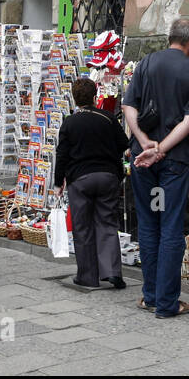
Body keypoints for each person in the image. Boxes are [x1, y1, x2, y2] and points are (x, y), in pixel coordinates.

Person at [122, 17, 189, 318]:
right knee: (170, 227)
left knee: (148, 224)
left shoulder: (146, 63)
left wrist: (145, 142)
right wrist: (162, 149)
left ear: (169, 37)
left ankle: (151, 296)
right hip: (172, 163)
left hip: (144, 162)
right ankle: (167, 303)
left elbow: (128, 106)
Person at [55, 77, 129, 290]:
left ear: (74, 98)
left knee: (83, 227)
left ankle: (87, 276)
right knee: (107, 223)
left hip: (80, 179)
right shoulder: (107, 118)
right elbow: (123, 144)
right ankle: (112, 271)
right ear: (95, 96)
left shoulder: (70, 122)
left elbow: (62, 154)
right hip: (107, 177)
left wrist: (58, 182)